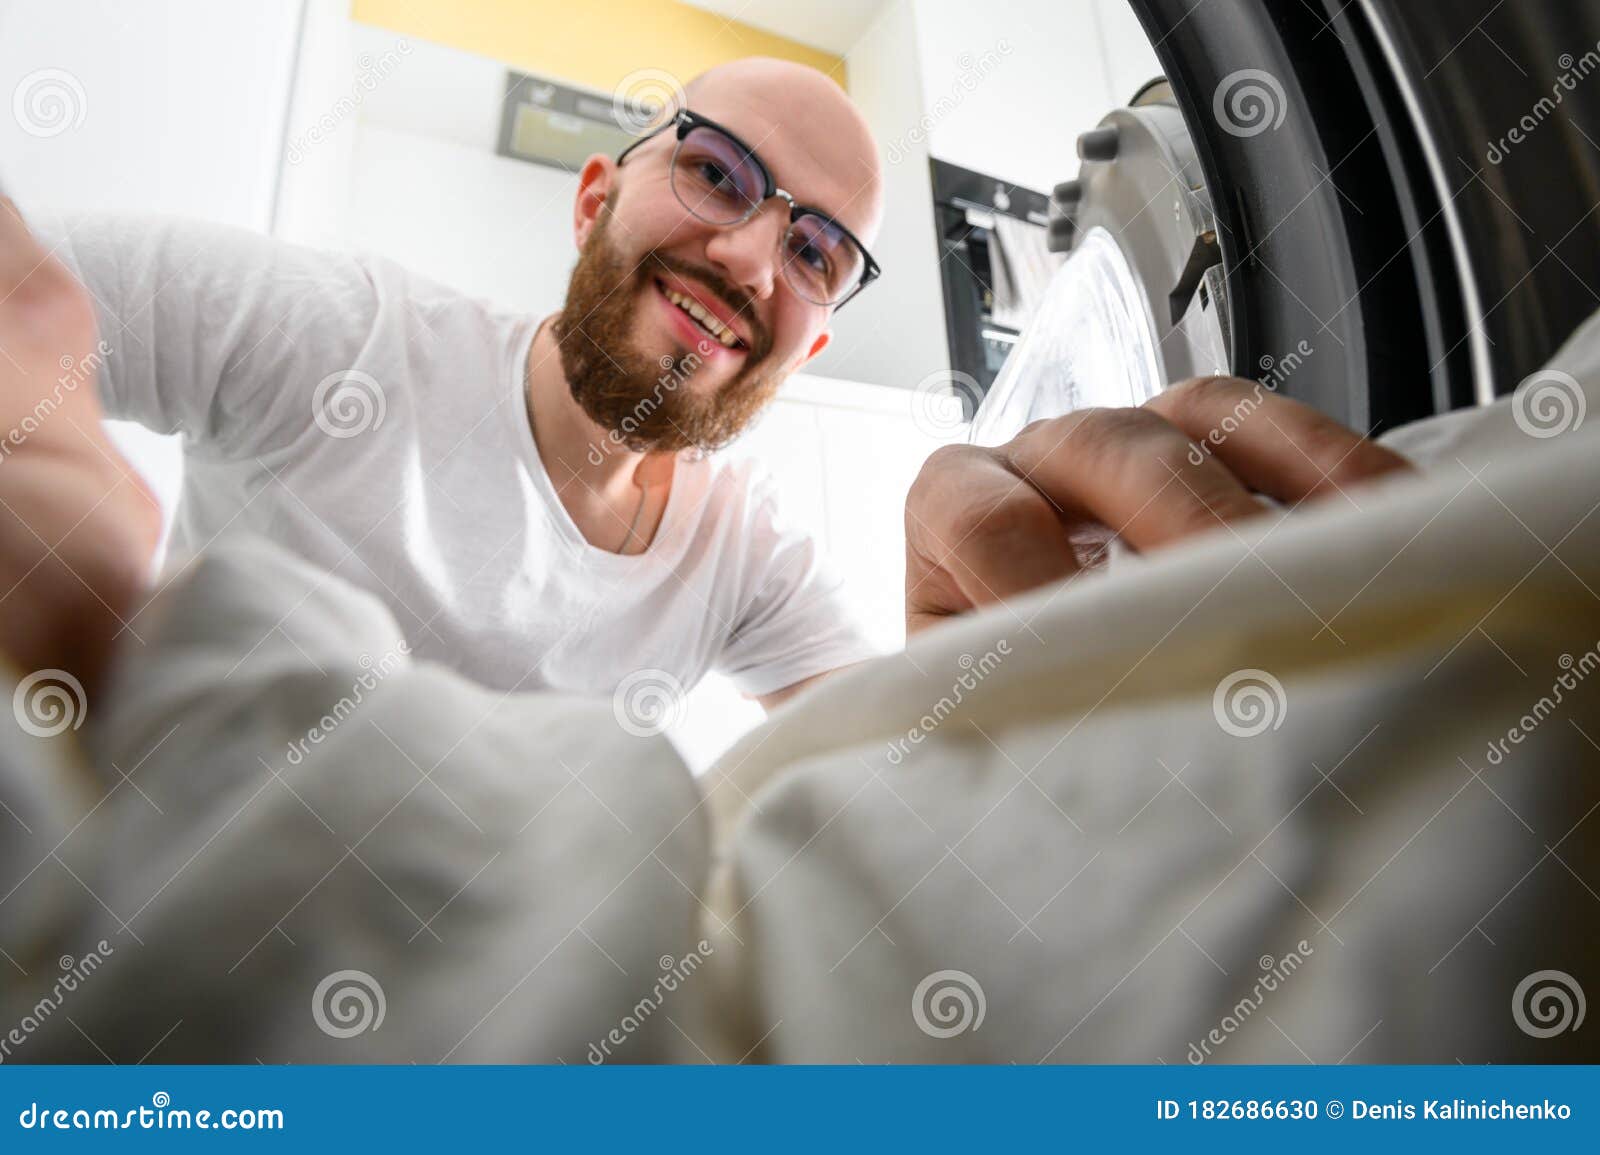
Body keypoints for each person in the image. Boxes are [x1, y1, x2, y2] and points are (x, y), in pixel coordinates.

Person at [34, 55, 1410, 714]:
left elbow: (889, 771)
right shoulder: (334, 338)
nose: (753, 255)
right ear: (593, 200)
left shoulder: (747, 561)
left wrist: (1008, 677)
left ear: (812, 345)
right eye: (715, 171)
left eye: (816, 249)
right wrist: (60, 537)